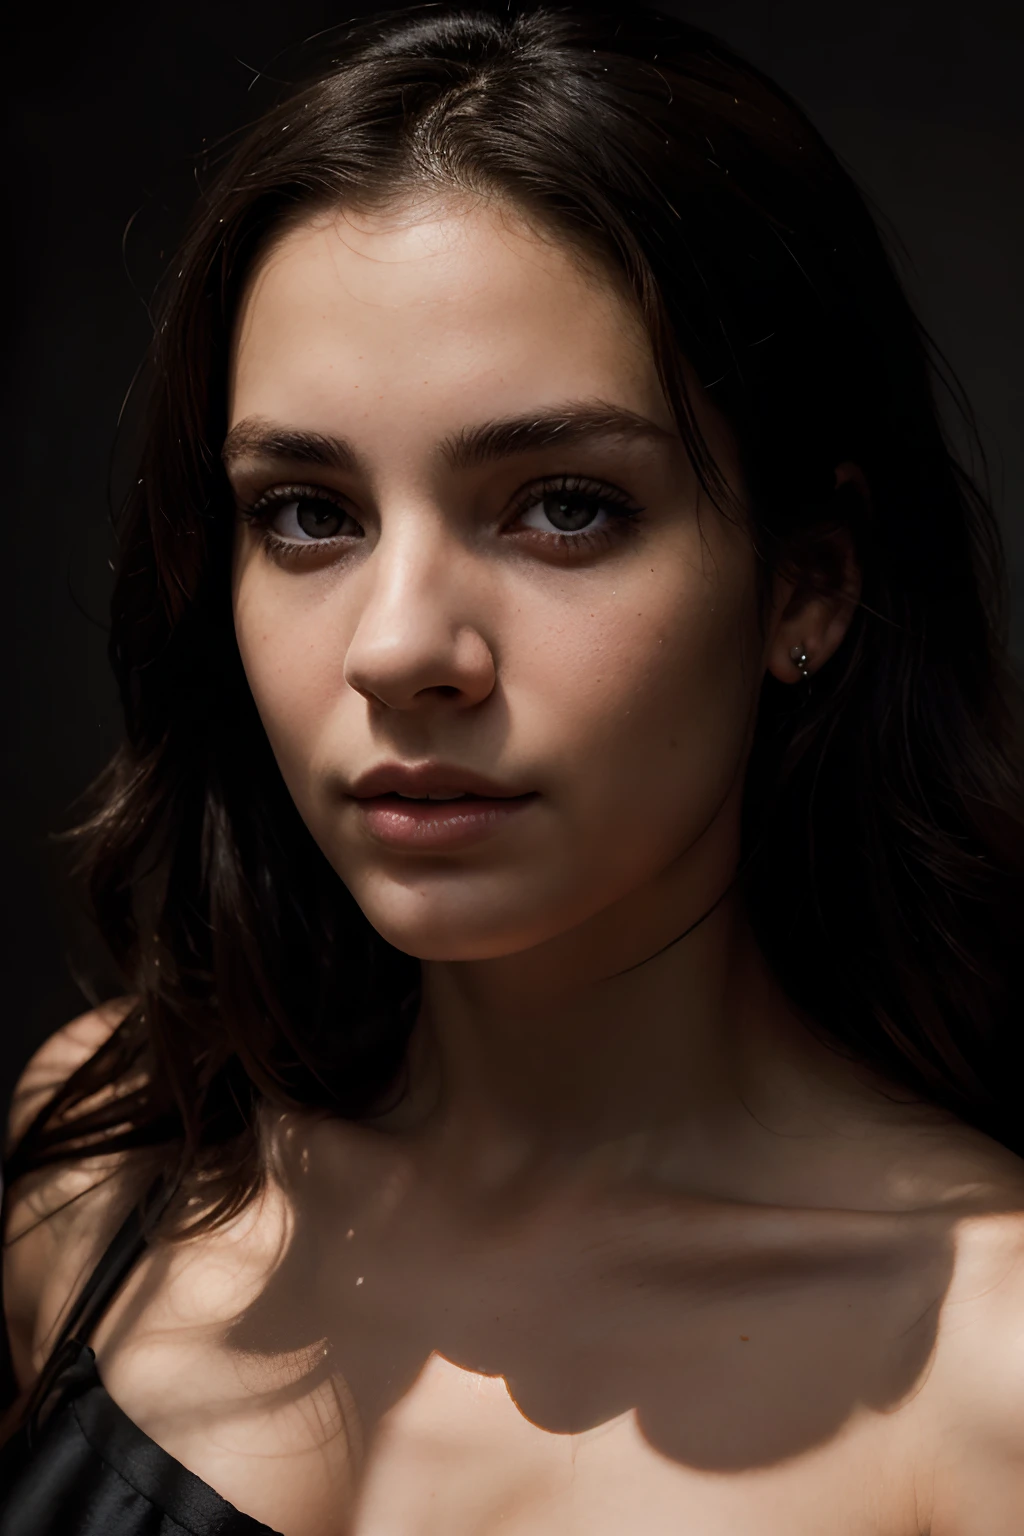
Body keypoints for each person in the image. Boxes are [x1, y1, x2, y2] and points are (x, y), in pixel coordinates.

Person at [2, 1, 1023, 1529]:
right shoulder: (110, 1159)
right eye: (306, 513)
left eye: (561, 507)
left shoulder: (989, 1381)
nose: (401, 646)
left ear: (806, 586)